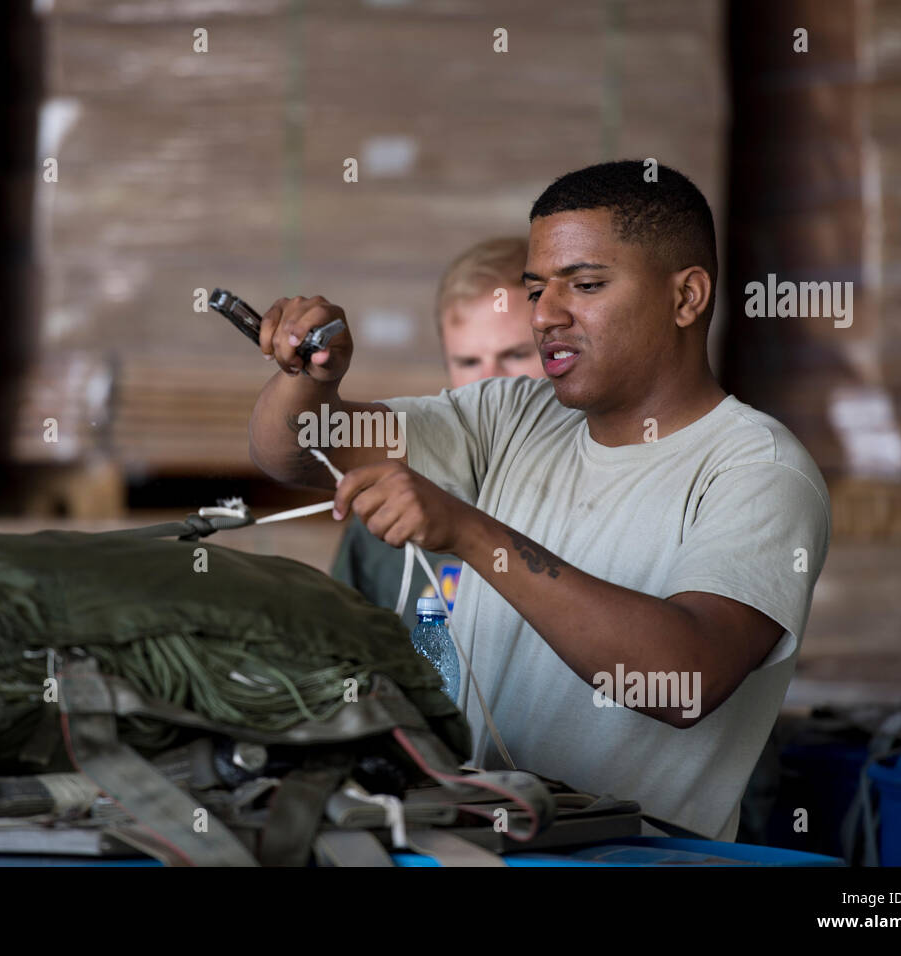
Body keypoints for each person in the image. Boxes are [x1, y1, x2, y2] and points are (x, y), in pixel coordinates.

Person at [247, 161, 831, 841]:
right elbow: (292, 449)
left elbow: (684, 679)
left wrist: (467, 531)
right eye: (535, 290)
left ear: (687, 297)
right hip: (482, 843)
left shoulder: (757, 469)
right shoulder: (510, 416)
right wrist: (308, 377)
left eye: (584, 285)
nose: (545, 315)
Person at [331, 237, 545, 627]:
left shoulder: (604, 493)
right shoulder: (390, 505)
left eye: (515, 355)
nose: (489, 383)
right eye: (467, 361)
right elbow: (348, 662)